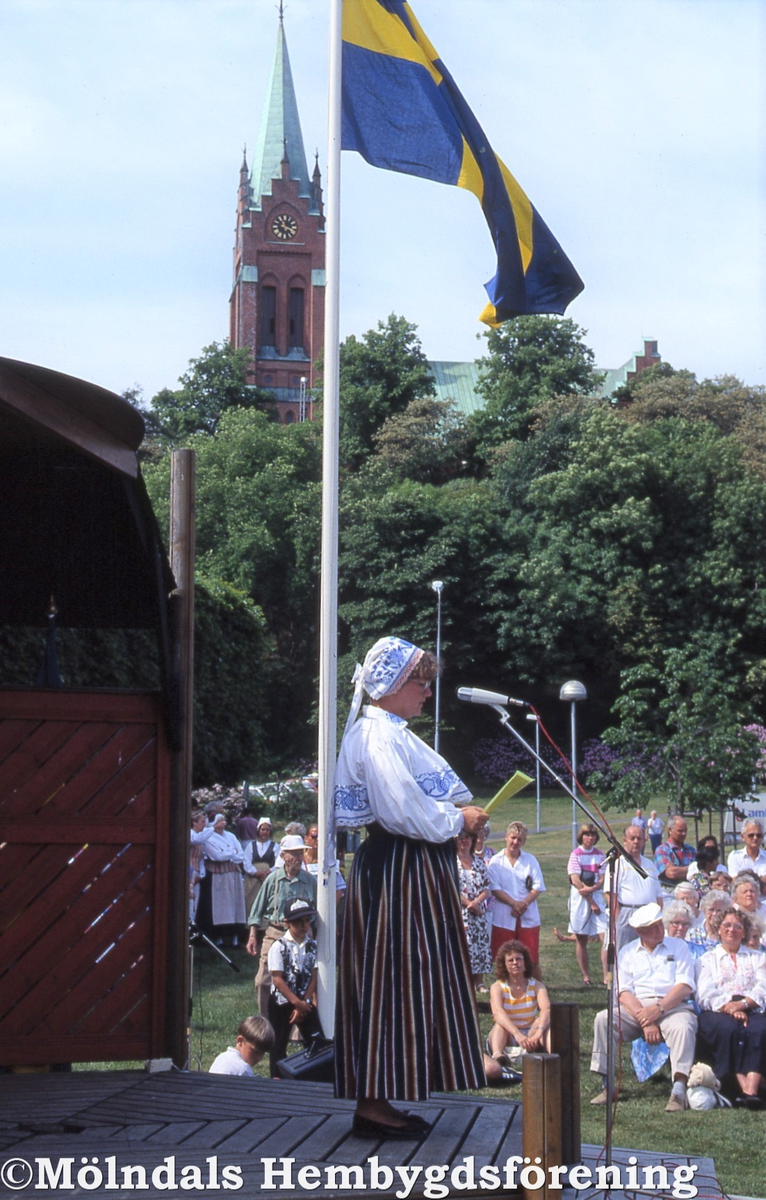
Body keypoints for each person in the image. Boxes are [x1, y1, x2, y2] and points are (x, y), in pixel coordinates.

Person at [333, 636, 488, 1138]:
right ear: (393, 684)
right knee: (391, 976)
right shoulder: (377, 735)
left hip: (405, 866)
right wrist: (457, 818)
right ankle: (373, 1103)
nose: (426, 693)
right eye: (420, 683)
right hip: (398, 870)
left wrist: (456, 820)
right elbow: (402, 810)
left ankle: (382, 1095)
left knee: (398, 977)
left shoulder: (389, 731)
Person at [590, 902, 697, 1112]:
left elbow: (684, 985)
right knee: (603, 1019)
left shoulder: (678, 946)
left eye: (659, 925)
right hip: (637, 1009)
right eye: (653, 928)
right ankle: (607, 1084)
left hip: (672, 1006)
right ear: (639, 932)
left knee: (683, 1027)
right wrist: (645, 1020)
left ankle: (678, 1089)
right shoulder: (628, 952)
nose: (659, 931)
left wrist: (658, 1009)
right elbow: (624, 992)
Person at [696, 906, 766, 1109]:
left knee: (758, 1030)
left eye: (737, 926)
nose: (731, 930)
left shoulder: (758, 957)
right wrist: (730, 1008)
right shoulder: (707, 959)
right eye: (726, 925)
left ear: (744, 931)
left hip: (753, 1007)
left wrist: (743, 1005)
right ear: (718, 929)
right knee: (728, 1029)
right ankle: (734, 1087)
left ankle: (750, 1090)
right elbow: (704, 992)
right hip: (719, 1009)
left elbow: (763, 987)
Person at [246, 834, 317, 1017]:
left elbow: (319, 913)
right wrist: (253, 935)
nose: (299, 858)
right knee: (263, 980)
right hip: (275, 932)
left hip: (302, 934)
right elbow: (257, 909)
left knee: (302, 979)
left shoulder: (310, 881)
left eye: (301, 853)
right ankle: (265, 1025)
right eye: (294, 854)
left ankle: (297, 1027)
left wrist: (313, 935)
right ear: (284, 856)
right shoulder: (272, 880)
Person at [267, 897, 323, 1079]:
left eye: (307, 920)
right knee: (279, 1042)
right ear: (287, 923)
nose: (304, 925)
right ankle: (277, 1078)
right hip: (282, 1000)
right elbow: (278, 980)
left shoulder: (313, 947)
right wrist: (295, 1003)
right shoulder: (279, 947)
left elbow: (314, 975)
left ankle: (314, 1073)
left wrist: (305, 1002)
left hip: (303, 1001)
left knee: (316, 1039)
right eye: (298, 921)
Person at [488, 821, 545, 975]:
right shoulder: (496, 861)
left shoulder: (530, 860)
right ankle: (505, 991)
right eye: (513, 838)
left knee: (531, 959)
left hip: (528, 915)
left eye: (519, 839)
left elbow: (538, 886)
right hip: (504, 915)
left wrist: (523, 904)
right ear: (506, 837)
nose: (515, 842)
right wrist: (514, 904)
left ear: (524, 841)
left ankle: (536, 990)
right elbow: (495, 889)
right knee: (503, 958)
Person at [487, 940, 550, 1064]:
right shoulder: (498, 987)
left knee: (542, 1022)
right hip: (509, 1033)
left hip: (531, 1032)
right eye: (511, 960)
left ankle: (555, 1055)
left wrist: (538, 1032)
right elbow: (497, 1012)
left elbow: (546, 1009)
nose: (515, 963)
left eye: (519, 959)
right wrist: (517, 1034)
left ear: (525, 962)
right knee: (500, 1025)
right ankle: (498, 1056)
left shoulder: (537, 985)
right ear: (504, 965)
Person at [197, 813, 256, 945]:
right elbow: (217, 856)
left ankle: (234, 937)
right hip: (217, 875)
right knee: (220, 906)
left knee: (234, 905)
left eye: (223, 821)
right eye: (219, 821)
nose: (222, 824)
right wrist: (231, 853)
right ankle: (218, 937)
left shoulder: (231, 836)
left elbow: (240, 854)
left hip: (233, 873)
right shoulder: (208, 837)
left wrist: (228, 853)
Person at [603, 825, 663, 952]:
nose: (636, 842)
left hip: (650, 915)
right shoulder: (618, 864)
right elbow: (610, 895)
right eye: (632, 838)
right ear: (625, 840)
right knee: (625, 952)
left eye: (639, 838)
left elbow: (658, 895)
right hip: (627, 914)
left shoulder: (650, 864)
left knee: (650, 950)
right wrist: (618, 919)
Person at [565, 823, 607, 986]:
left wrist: (594, 888)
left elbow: (602, 878)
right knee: (581, 939)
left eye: (592, 835)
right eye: (586, 835)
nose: (590, 838)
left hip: (596, 895)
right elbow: (575, 879)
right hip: (580, 899)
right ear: (581, 837)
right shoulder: (575, 855)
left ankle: (606, 976)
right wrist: (589, 899)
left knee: (605, 936)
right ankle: (586, 976)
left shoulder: (600, 855)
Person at [455, 829, 492, 990]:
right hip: (459, 912)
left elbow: (486, 887)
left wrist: (476, 902)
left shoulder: (478, 862)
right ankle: (463, 980)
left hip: (478, 912)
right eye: (460, 838)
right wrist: (468, 903)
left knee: (480, 944)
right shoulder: (450, 861)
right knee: (464, 946)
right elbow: (451, 888)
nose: (464, 841)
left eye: (467, 838)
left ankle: (479, 981)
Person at [209, 1015, 275, 1077]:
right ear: (240, 1041)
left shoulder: (221, 1057)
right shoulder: (243, 1070)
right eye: (255, 1052)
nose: (259, 1058)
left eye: (262, 1053)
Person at [242, 816, 279, 918]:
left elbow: (279, 863)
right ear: (258, 831)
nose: (265, 832)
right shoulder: (251, 845)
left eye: (267, 830)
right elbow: (246, 862)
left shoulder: (275, 846)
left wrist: (268, 872)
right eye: (263, 829)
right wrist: (256, 873)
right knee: (251, 901)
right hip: (252, 880)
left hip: (268, 879)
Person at [654, 816, 696, 891]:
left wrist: (677, 870)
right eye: (680, 831)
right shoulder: (662, 850)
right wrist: (694, 868)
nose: (684, 834)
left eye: (685, 830)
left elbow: (702, 871)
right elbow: (671, 873)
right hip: (670, 894)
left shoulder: (691, 850)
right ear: (670, 830)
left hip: (691, 893)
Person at [686, 891, 732, 958]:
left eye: (719, 910)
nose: (714, 914)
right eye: (711, 910)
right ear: (704, 910)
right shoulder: (691, 934)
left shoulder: (730, 934)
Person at [727, 820, 766, 895]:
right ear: (742, 837)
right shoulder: (735, 857)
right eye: (751, 835)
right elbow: (735, 885)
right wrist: (761, 880)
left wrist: (745, 878)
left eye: (759, 835)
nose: (755, 838)